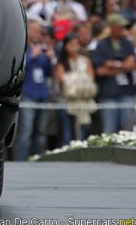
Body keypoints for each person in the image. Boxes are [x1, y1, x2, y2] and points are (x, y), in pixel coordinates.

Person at [15, 18, 55, 161]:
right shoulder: (21, 48)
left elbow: (49, 73)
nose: (39, 34)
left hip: (42, 94)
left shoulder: (42, 48)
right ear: (28, 31)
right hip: (28, 94)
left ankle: (37, 159)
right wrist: (32, 56)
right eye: (37, 31)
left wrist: (50, 59)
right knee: (26, 131)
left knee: (41, 131)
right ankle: (21, 160)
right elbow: (18, 68)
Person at [91, 13, 136, 134]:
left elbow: (132, 65)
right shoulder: (101, 45)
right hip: (108, 92)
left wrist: (114, 65)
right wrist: (123, 66)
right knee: (109, 129)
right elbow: (100, 71)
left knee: (128, 129)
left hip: (126, 91)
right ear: (112, 27)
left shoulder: (127, 43)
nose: (122, 29)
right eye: (119, 26)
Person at [55, 32, 97, 145]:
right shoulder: (61, 63)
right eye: (71, 44)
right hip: (66, 102)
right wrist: (81, 78)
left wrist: (73, 79)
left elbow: (91, 81)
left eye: (76, 44)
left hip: (83, 102)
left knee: (82, 135)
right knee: (67, 135)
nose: (74, 46)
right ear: (66, 46)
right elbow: (64, 82)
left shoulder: (86, 61)